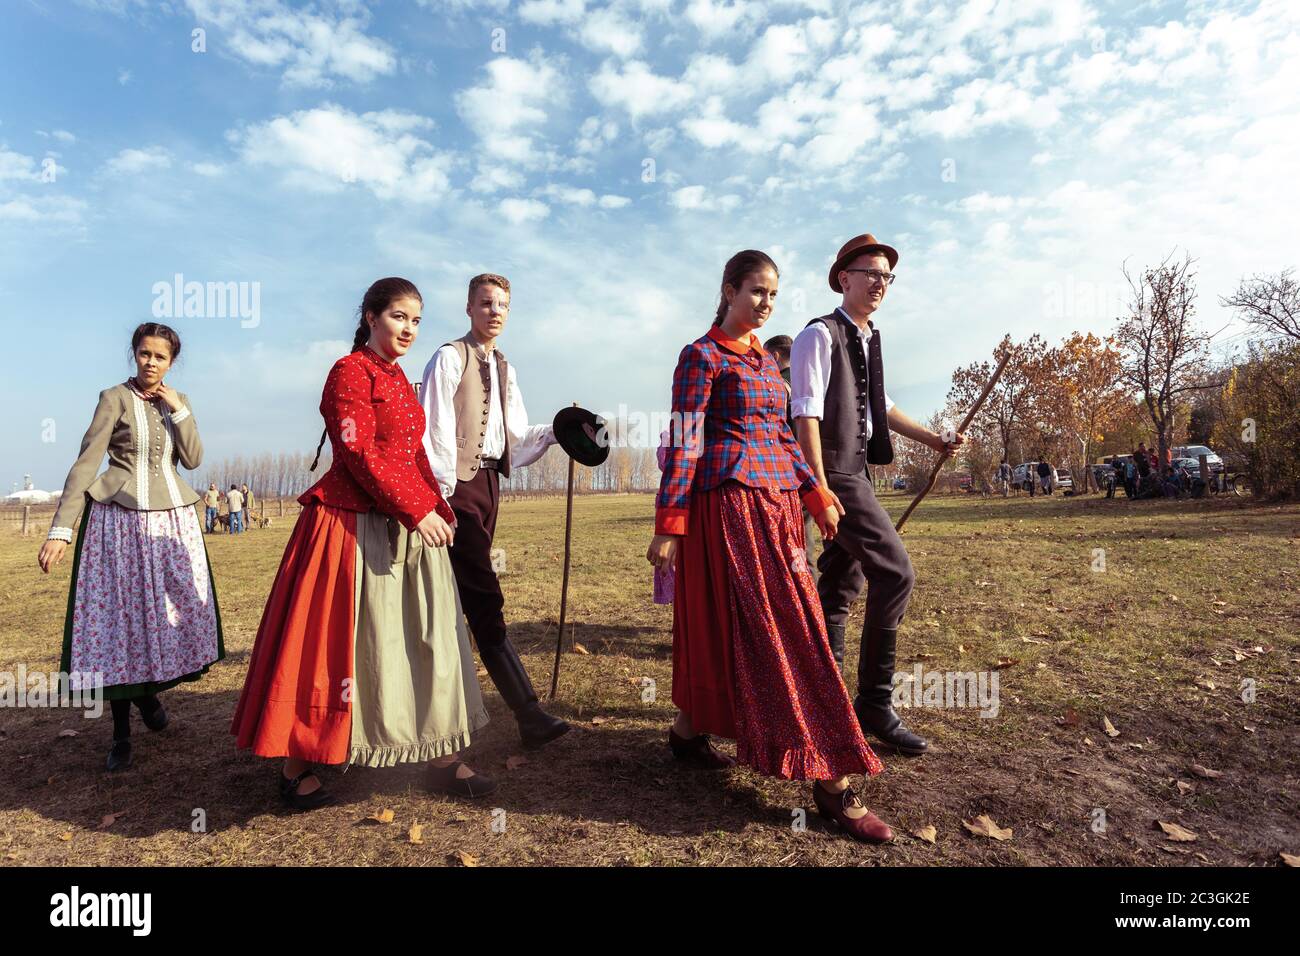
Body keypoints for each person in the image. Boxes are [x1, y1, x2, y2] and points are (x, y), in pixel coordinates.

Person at [648, 249, 892, 843]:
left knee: (751, 627)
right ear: (729, 291)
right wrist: (669, 523)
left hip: (780, 511)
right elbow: (684, 442)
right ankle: (831, 778)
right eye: (756, 291)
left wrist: (817, 494)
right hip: (729, 508)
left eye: (773, 295)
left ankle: (686, 732)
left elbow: (784, 440)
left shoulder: (764, 363)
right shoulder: (700, 357)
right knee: (783, 633)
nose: (765, 303)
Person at [232, 277, 493, 809]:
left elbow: (410, 454)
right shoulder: (349, 371)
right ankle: (297, 762)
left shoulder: (398, 379)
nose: (408, 329)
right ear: (371, 317)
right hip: (349, 524)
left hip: (404, 522)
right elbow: (357, 453)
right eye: (399, 316)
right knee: (331, 646)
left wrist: (435, 505)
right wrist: (416, 509)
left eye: (416, 321)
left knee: (423, 638)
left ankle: (439, 758)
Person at [791, 232, 964, 758]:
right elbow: (806, 414)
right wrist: (818, 485)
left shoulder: (869, 340)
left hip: (858, 472)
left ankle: (821, 699)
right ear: (845, 278)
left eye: (887, 276)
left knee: (841, 584)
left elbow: (882, 408)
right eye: (871, 273)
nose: (880, 284)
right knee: (896, 572)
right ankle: (873, 703)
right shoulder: (818, 336)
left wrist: (936, 439)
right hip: (836, 475)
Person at [38, 323, 224, 771]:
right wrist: (61, 529)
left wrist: (178, 409)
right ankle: (122, 731)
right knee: (120, 625)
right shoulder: (113, 399)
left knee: (158, 620)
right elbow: (86, 465)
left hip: (169, 522)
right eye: (144, 354)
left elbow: (194, 459)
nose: (151, 363)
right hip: (117, 522)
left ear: (171, 361)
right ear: (134, 354)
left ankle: (147, 697)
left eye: (160, 356)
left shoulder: (179, 403)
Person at [421, 273, 569, 750]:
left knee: (464, 594)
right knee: (482, 593)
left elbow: (516, 435)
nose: (495, 311)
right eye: (486, 303)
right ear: (468, 308)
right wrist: (441, 495)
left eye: (503, 304)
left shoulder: (505, 365)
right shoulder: (448, 356)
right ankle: (527, 713)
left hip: (488, 485)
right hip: (455, 487)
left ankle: (471, 707)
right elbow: (433, 429)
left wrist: (559, 431)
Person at [765, 332, 817, 581]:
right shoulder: (811, 384)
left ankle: (808, 610)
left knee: (791, 550)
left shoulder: (777, 388)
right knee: (806, 548)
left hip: (786, 479)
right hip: (815, 475)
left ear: (774, 356)